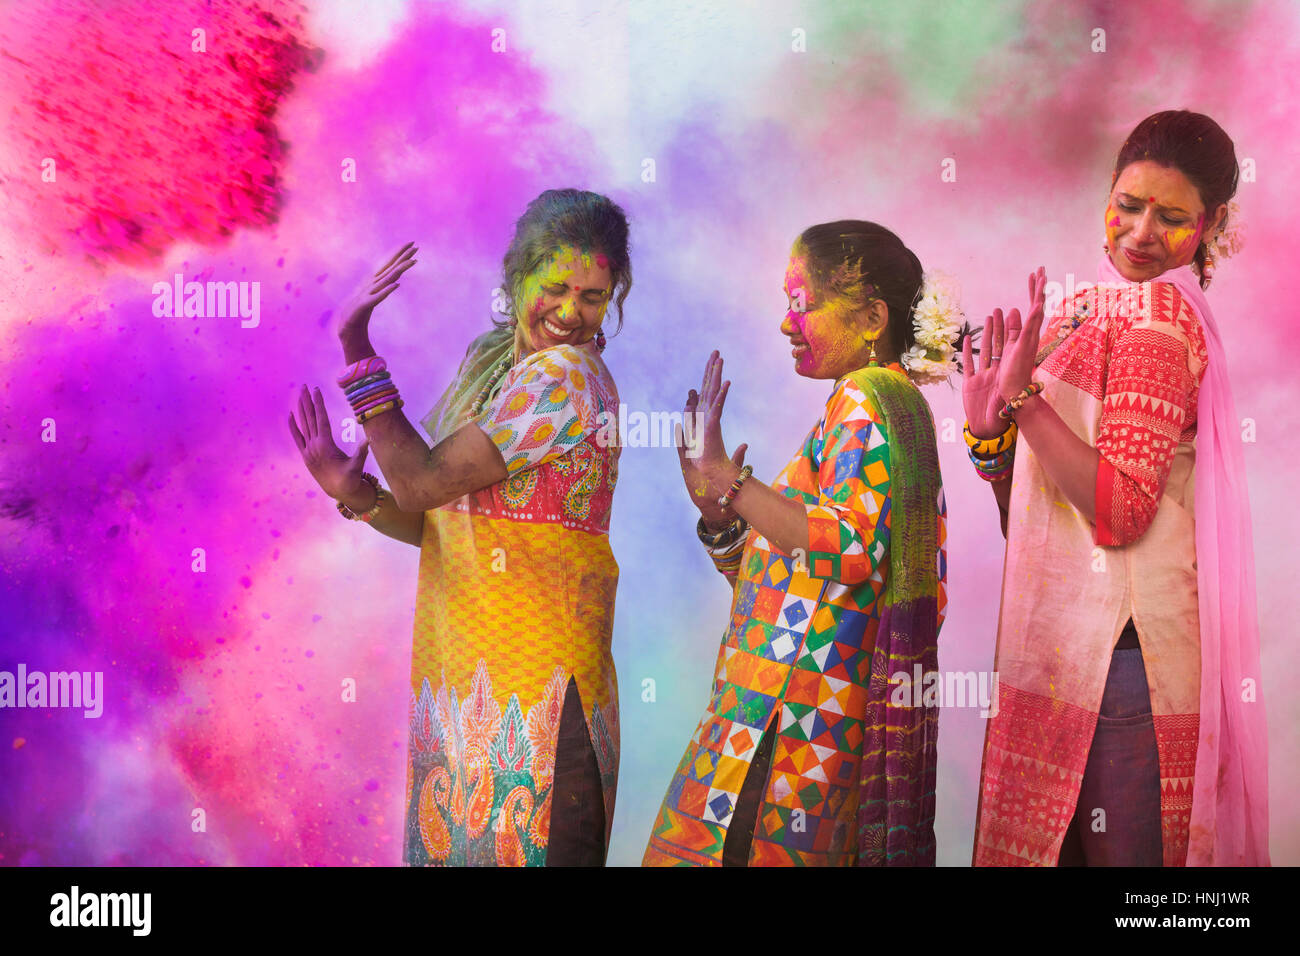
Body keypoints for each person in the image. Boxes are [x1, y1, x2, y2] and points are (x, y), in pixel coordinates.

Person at [288, 188, 632, 866]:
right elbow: (438, 523)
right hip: (462, 684)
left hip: (533, 692)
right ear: (516, 278)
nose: (570, 312)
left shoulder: (565, 378)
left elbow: (419, 481)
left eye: (593, 297)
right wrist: (358, 496)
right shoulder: (496, 365)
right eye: (555, 287)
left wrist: (359, 353)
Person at [965, 110, 1269, 866]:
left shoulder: (1158, 318)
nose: (1140, 233)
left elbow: (1121, 513)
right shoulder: (1086, 308)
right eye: (1129, 205)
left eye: (1171, 218)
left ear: (1211, 224)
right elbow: (1039, 519)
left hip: (1120, 659)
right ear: (1107, 190)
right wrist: (990, 441)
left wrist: (1024, 407)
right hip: (1076, 649)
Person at [642, 221, 955, 866]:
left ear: (872, 317)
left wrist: (731, 478)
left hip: (787, 721)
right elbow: (797, 580)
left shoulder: (869, 400)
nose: (787, 324)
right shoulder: (870, 407)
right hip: (786, 706)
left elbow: (849, 546)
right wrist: (721, 514)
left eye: (799, 304)